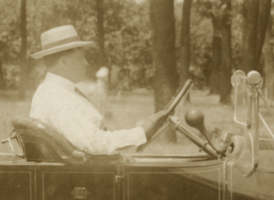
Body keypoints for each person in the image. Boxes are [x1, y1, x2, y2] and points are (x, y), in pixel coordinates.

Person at [28, 25, 171, 155]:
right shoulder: (57, 97)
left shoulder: (55, 91)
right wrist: (142, 131)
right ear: (64, 62)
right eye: (80, 58)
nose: (86, 63)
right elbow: (95, 144)